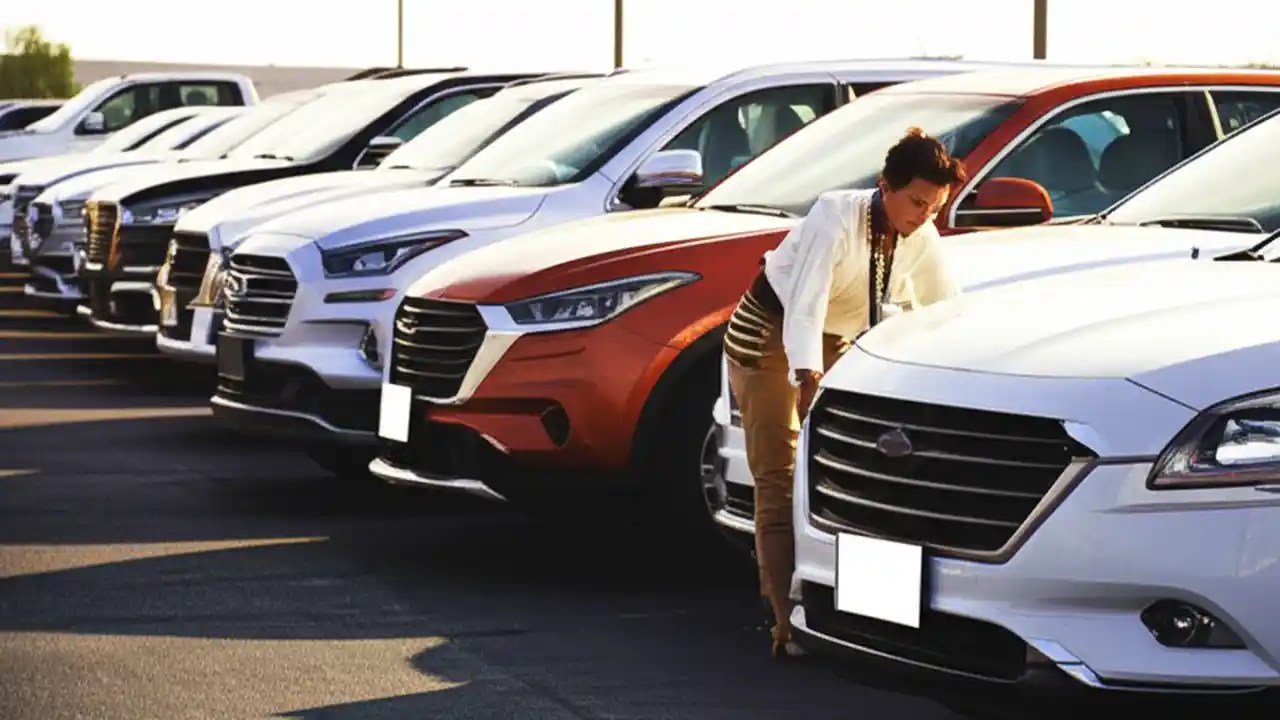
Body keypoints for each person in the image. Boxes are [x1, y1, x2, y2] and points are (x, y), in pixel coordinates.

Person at [723, 127, 966, 659]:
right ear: (886, 186)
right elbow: (805, 306)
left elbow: (947, 312)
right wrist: (807, 379)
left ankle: (872, 617)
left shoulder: (921, 236)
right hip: (770, 333)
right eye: (918, 201)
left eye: (935, 206)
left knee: (865, 475)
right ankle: (787, 623)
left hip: (837, 337)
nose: (925, 215)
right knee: (781, 475)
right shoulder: (834, 217)